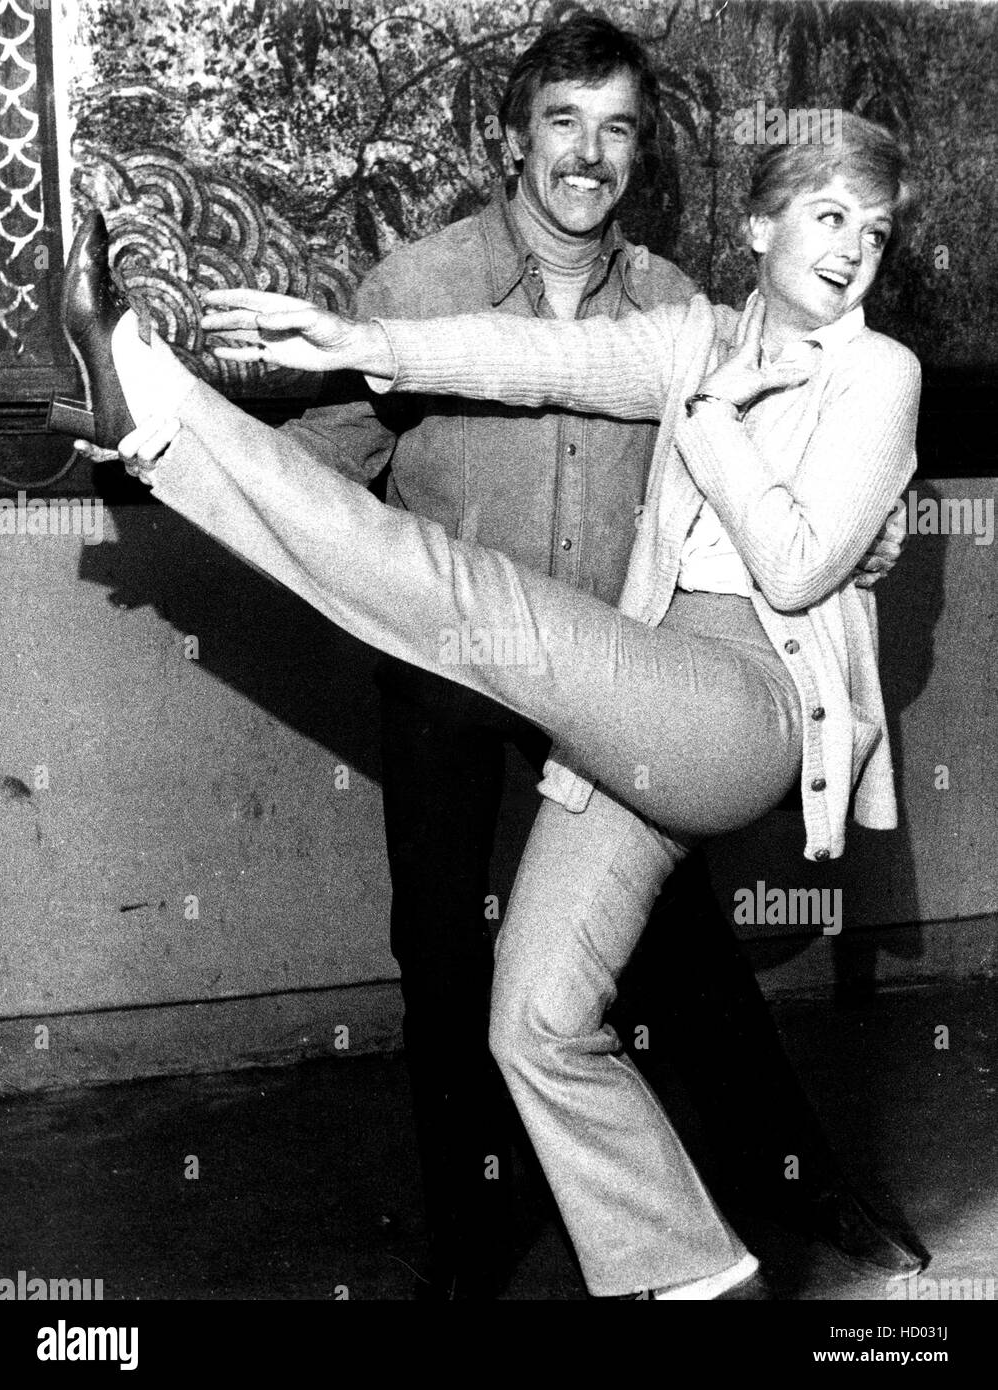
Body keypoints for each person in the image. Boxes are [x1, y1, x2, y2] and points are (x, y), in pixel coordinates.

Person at [58, 83, 923, 1299]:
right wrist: (371, 348)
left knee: (472, 606)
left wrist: (717, 415)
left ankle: (152, 411)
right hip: (652, 704)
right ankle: (689, 1267)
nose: (852, 250)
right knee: (532, 1017)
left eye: (874, 231)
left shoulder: (877, 374)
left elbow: (794, 563)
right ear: (761, 233)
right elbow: (535, 359)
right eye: (829, 217)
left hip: (749, 710)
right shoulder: (694, 337)